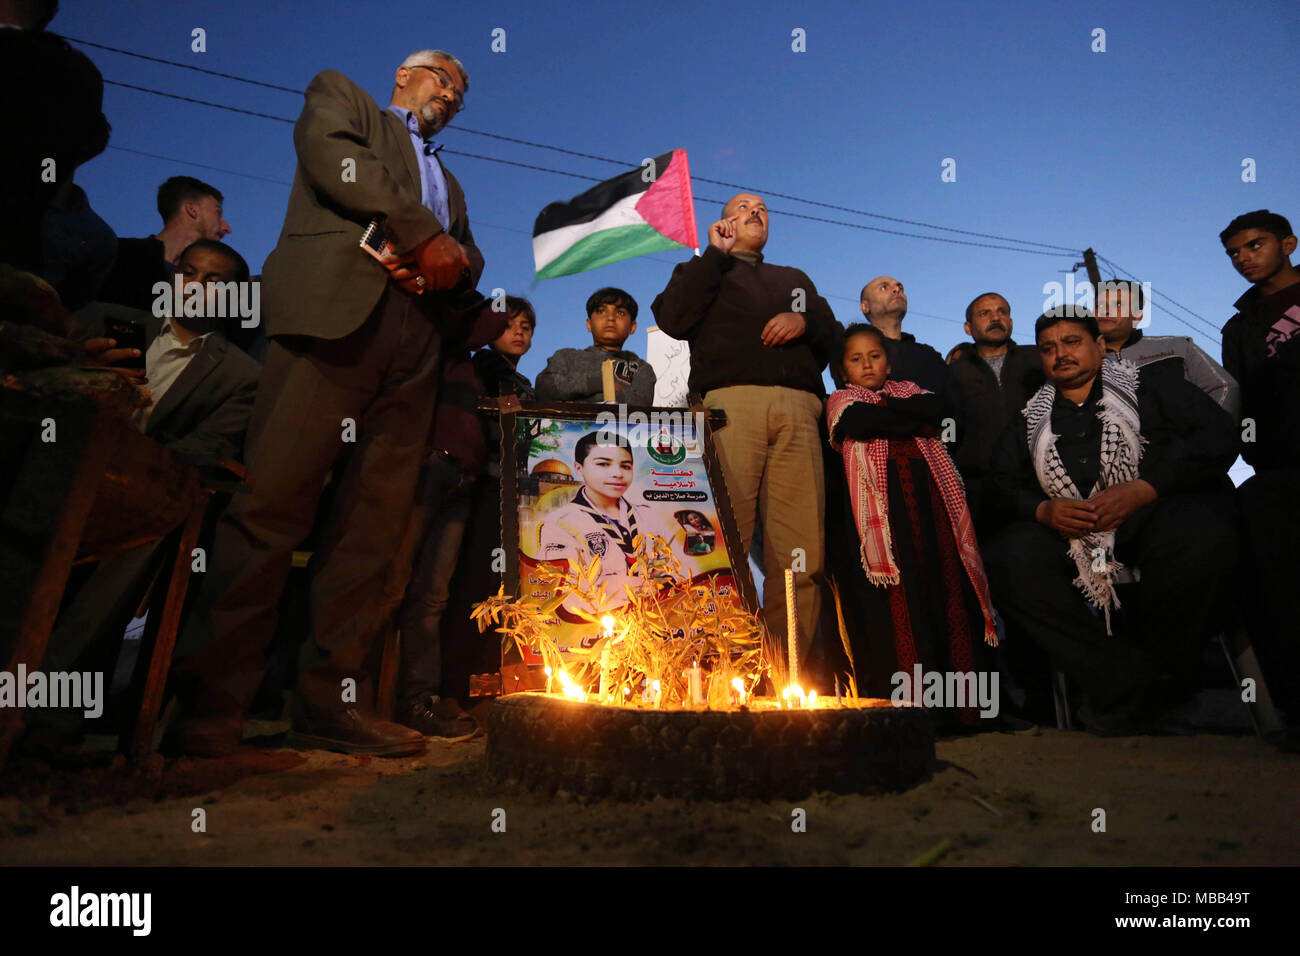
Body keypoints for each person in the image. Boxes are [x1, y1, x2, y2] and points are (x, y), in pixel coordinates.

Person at [167, 49, 484, 758]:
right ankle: (211, 706)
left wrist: (451, 264)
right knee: (272, 506)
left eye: (462, 91)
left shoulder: (452, 181)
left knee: (371, 533)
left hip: (414, 345)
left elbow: (469, 254)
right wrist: (421, 233)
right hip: (333, 318)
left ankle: (332, 702)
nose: (453, 94)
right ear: (404, 74)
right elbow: (333, 158)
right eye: (444, 78)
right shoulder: (344, 98)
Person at [32, 240, 261, 747]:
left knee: (147, 535)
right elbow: (34, 378)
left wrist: (133, 449)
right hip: (51, 469)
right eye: (188, 272)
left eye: (214, 281)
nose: (195, 287)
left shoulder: (240, 375)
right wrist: (85, 374)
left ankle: (47, 702)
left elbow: (207, 447)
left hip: (136, 491)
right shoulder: (103, 320)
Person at [983, 307, 1238, 734]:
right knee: (1009, 557)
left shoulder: (1153, 386)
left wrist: (1146, 487)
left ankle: (1160, 677)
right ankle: (1127, 681)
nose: (1059, 354)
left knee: (1202, 531)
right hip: (1075, 537)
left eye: (1071, 342)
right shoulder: (1030, 419)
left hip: (1151, 517)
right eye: (1047, 348)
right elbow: (999, 484)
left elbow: (1217, 436)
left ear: (1100, 346)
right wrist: (1043, 510)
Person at [652, 193, 841, 667]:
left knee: (800, 550)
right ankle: (722, 667)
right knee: (722, 541)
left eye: (761, 207)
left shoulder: (793, 279)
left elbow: (834, 337)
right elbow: (672, 318)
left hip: (799, 409)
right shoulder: (703, 269)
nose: (754, 211)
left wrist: (806, 320)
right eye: (741, 206)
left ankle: (787, 670)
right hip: (729, 408)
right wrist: (712, 255)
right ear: (722, 224)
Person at [825, 323, 997, 722]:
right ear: (843, 370)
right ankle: (916, 716)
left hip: (935, 511)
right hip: (886, 523)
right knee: (902, 607)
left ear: (888, 361)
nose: (867, 364)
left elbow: (937, 411)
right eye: (856, 359)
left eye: (875, 355)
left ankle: (967, 713)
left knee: (949, 595)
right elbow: (861, 424)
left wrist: (896, 415)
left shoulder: (912, 391)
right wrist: (909, 420)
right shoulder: (841, 401)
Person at [387, 297, 534, 737]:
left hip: (474, 483)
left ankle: (434, 696)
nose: (517, 331)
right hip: (437, 472)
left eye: (527, 325)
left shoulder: (519, 382)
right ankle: (390, 697)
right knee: (398, 586)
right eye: (507, 323)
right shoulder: (460, 361)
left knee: (448, 592)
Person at [1218, 209, 1300, 732]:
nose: (1245, 258)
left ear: (1289, 242)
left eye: (1255, 245)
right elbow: (1240, 399)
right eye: (1234, 253)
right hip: (1281, 469)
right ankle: (1293, 709)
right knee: (1278, 583)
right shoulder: (1239, 326)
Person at [537, 432, 678, 607]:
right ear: (579, 468)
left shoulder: (648, 516)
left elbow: (679, 572)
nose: (617, 473)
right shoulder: (560, 524)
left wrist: (610, 584)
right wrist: (652, 585)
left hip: (659, 618)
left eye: (625, 466)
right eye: (603, 464)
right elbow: (570, 591)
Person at [947, 292, 1044, 530]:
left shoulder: (1037, 360)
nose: (995, 317)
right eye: (985, 313)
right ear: (968, 328)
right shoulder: (951, 374)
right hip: (978, 494)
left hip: (1038, 486)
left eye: (1002, 312)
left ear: (1011, 322)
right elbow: (946, 431)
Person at [1096, 279, 1239, 418]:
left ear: (1138, 316)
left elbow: (1225, 387)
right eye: (1099, 305)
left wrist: (1211, 433)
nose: (1106, 311)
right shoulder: (1082, 362)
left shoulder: (1178, 347)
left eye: (1118, 304)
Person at [98, 177, 231, 312]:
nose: (227, 228)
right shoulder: (116, 255)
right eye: (217, 213)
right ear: (192, 210)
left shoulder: (213, 287)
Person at [857, 275, 963, 411]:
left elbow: (954, 403)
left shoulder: (929, 354)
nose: (896, 290)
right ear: (865, 306)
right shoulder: (854, 353)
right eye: (884, 287)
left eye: (900, 287)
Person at [534, 287, 655, 404]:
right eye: (601, 311)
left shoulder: (640, 368)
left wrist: (574, 399)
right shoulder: (566, 358)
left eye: (620, 312)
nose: (611, 318)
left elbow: (639, 404)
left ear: (632, 327)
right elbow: (545, 389)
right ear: (589, 324)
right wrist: (601, 383)